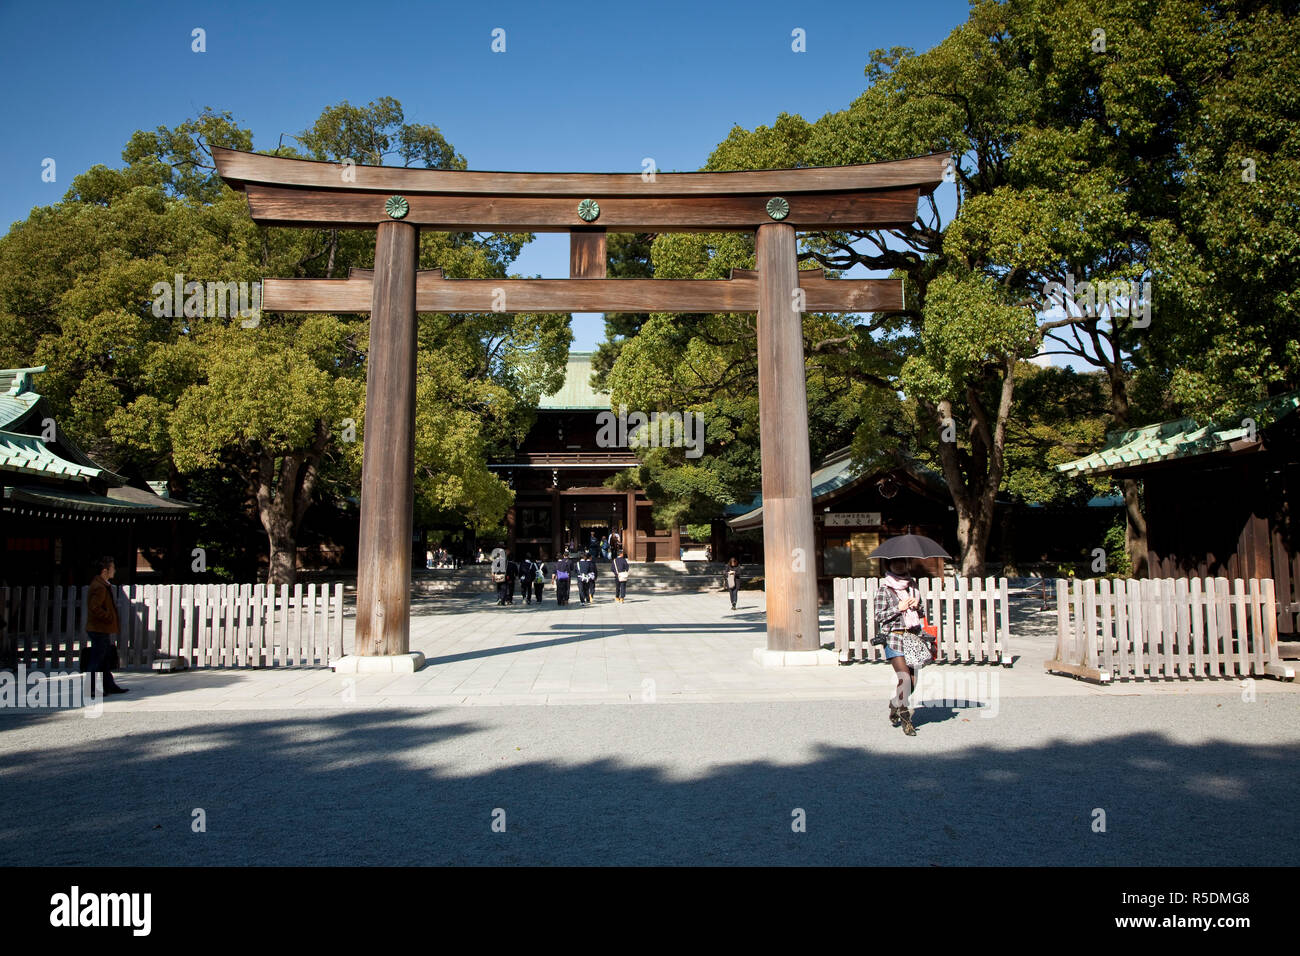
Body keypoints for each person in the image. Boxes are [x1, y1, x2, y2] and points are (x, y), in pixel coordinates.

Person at [874, 557, 931, 736]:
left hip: (912, 637)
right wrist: (898, 608)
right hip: (894, 637)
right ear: (888, 565)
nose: (898, 565)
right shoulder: (885, 589)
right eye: (894, 562)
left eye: (901, 562)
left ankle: (895, 703)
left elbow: (921, 613)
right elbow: (878, 616)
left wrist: (917, 607)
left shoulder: (912, 586)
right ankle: (906, 718)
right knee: (904, 678)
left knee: (912, 683)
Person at [85, 555, 127, 696]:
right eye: (112, 568)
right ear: (105, 571)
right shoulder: (100, 587)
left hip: (100, 629)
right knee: (96, 661)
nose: (114, 571)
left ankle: (109, 685)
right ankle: (90, 688)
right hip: (99, 629)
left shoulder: (102, 585)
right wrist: (108, 617)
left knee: (103, 660)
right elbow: (94, 607)